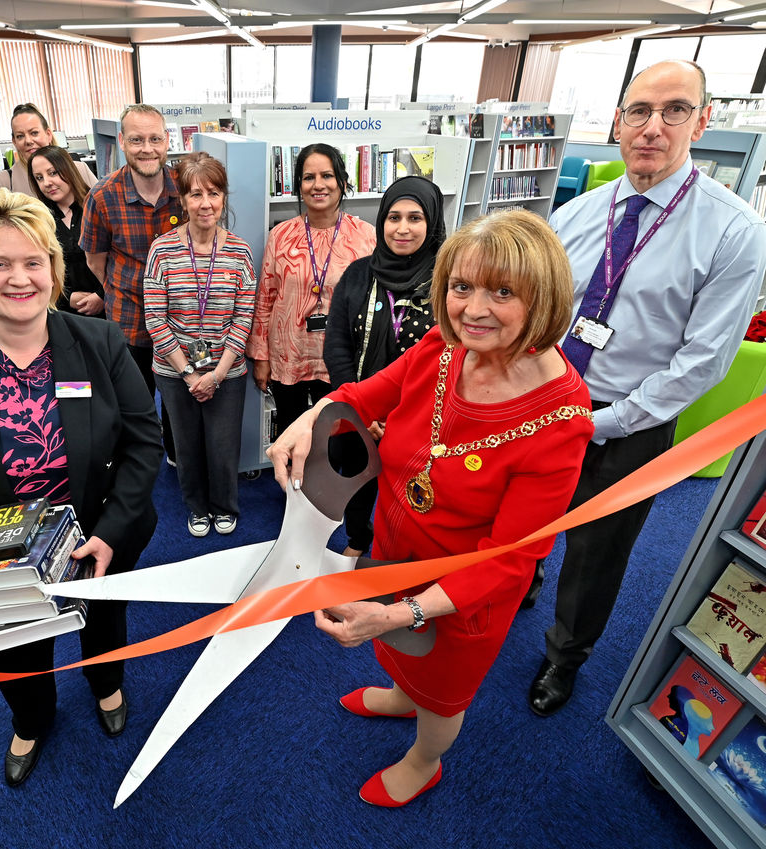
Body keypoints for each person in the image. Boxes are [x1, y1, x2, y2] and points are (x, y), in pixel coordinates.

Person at [266, 209, 592, 807]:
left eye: (502, 292)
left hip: (460, 591)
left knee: (445, 689)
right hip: (396, 550)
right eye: (461, 287)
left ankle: (425, 759)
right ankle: (401, 692)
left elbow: (509, 563)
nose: (473, 308)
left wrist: (398, 614)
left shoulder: (561, 418)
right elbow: (366, 396)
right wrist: (313, 416)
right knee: (402, 658)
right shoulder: (445, 346)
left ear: (541, 298)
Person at [527, 59, 766, 717]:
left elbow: (704, 362)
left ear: (703, 120)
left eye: (674, 110)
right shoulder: (577, 214)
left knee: (598, 555)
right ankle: (526, 576)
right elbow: (540, 310)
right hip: (549, 405)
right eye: (639, 110)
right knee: (524, 515)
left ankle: (562, 655)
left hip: (630, 423)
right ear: (618, 121)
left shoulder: (734, 231)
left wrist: (603, 422)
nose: (652, 128)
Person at [0, 189, 162, 788]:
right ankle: (32, 717)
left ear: (53, 269)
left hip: (98, 530)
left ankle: (105, 683)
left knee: (103, 620)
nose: (19, 278)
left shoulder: (98, 343)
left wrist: (110, 533)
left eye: (33, 262)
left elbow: (143, 443)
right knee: (16, 647)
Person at [324, 176, 446, 556]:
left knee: (418, 490)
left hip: (424, 417)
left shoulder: (450, 280)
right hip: (364, 412)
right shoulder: (359, 274)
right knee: (359, 479)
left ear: (433, 222)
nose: (403, 228)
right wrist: (364, 409)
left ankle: (405, 551)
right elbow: (337, 344)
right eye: (394, 217)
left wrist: (398, 418)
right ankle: (360, 538)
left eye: (415, 218)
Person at [143, 152, 256, 538]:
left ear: (224, 197)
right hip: (175, 372)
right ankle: (196, 507)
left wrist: (218, 373)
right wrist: (191, 374)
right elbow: (155, 318)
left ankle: (225, 505)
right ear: (183, 200)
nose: (205, 203)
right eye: (195, 194)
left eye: (213, 193)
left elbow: (244, 317)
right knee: (187, 447)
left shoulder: (240, 252)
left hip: (228, 369)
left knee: (223, 448)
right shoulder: (162, 250)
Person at [247, 143, 376, 434]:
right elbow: (265, 299)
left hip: (341, 359)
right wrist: (261, 358)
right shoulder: (280, 235)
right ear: (299, 186)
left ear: (342, 182)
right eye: (309, 177)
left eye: (327, 176)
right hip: (288, 357)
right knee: (292, 436)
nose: (318, 185)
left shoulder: (366, 236)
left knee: (336, 439)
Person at [81, 102, 183, 458]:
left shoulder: (186, 190)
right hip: (130, 318)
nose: (147, 148)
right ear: (122, 141)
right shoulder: (102, 196)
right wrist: (119, 290)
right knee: (135, 396)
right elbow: (95, 259)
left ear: (167, 140)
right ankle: (141, 456)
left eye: (155, 138)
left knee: (177, 394)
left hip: (180, 318)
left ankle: (173, 450)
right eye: (137, 140)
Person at [27, 145, 104, 317]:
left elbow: (118, 260)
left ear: (68, 170)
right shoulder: (38, 220)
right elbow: (36, 271)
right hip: (63, 313)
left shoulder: (98, 207)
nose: (47, 182)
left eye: (53, 173)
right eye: (39, 178)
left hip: (109, 309)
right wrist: (65, 298)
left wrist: (102, 295)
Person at [0, 102, 97, 197]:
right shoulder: (4, 182)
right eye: (20, 136)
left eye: (34, 133)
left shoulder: (79, 170)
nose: (28, 141)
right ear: (14, 142)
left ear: (48, 134)